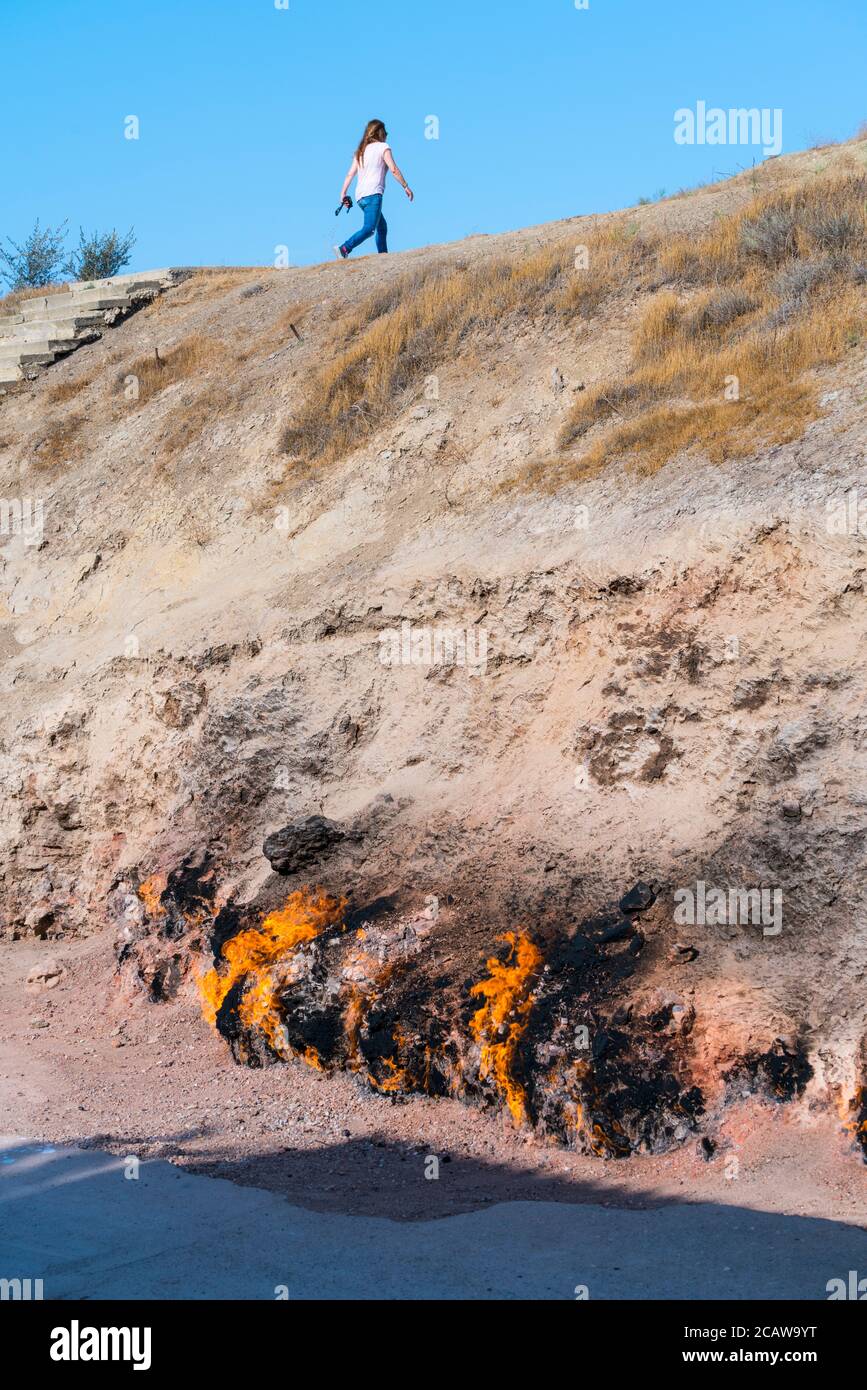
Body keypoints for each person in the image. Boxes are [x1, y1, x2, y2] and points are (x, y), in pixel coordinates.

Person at [335, 119, 413, 259]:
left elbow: (350, 174)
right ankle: (344, 248)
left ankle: (383, 257)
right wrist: (405, 186)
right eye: (385, 132)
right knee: (370, 228)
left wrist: (343, 193)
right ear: (379, 133)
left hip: (361, 197)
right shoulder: (383, 147)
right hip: (373, 195)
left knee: (381, 227)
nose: (387, 134)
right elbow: (394, 169)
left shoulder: (361, 151)